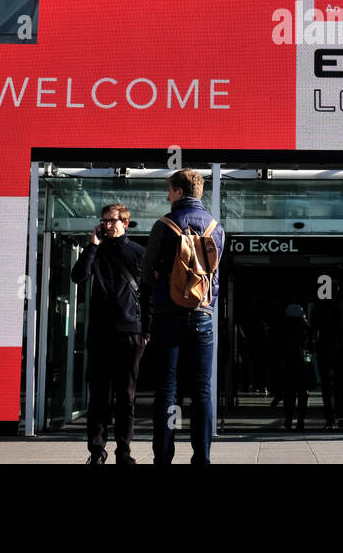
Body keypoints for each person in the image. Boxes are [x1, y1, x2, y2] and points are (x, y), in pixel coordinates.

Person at [141, 168, 225, 464]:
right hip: (203, 316)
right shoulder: (216, 228)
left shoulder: (163, 225)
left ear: (178, 192)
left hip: (167, 316)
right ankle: (201, 457)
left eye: (169, 191)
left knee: (167, 390)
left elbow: (147, 274)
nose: (167, 196)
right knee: (201, 390)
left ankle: (163, 457)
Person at [71, 202, 147, 464]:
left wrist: (146, 332)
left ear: (125, 223)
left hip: (130, 333)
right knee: (99, 398)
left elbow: (149, 295)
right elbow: (78, 276)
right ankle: (96, 451)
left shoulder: (138, 253)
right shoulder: (96, 251)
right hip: (100, 334)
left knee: (126, 398)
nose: (107, 225)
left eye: (112, 220)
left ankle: (123, 452)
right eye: (104, 220)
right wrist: (92, 245)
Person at [311, 282, 343, 427]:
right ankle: (341, 416)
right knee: (341, 384)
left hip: (324, 350)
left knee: (327, 385)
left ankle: (330, 418)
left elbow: (313, 331)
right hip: (341, 351)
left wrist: (311, 349)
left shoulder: (317, 307)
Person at [278, 299, 312, 432]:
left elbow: (280, 347)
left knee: (289, 394)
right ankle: (301, 420)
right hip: (303, 363)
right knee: (303, 393)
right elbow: (311, 346)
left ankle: (288, 419)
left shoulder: (284, 328)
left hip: (289, 363)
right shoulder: (306, 327)